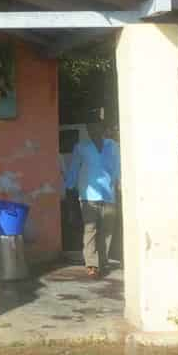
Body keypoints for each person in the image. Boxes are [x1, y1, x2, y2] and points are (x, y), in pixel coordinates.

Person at [64, 112, 121, 279]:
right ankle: (91, 264)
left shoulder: (113, 146)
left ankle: (102, 261)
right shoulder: (81, 147)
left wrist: (119, 186)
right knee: (90, 230)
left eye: (95, 127)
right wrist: (70, 188)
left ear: (102, 129)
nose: (92, 131)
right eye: (89, 129)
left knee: (107, 231)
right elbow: (74, 169)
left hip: (109, 195)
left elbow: (117, 168)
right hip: (88, 195)